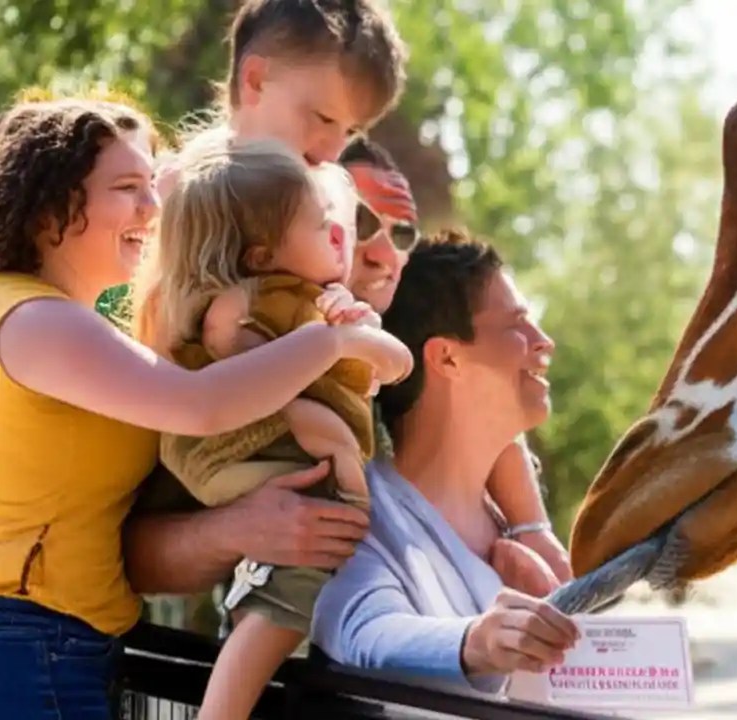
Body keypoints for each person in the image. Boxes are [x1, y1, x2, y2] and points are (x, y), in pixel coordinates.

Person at [123, 0, 567, 607]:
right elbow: (125, 536)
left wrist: (527, 526)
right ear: (255, 81)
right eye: (323, 119)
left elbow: (465, 370)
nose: (331, 152)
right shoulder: (168, 234)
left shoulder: (335, 201)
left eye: (350, 130)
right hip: (271, 622)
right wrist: (234, 529)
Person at [0, 95, 409, 718]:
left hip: (65, 644)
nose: (153, 207)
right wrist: (336, 342)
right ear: (55, 202)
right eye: (128, 187)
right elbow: (200, 407)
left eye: (152, 184)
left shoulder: (87, 328)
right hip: (30, 644)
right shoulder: (35, 320)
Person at [134, 138, 412, 719]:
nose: (341, 237)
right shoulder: (238, 305)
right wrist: (331, 348)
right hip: (247, 456)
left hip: (296, 464)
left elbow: (395, 365)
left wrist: (360, 334)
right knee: (284, 607)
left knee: (295, 594)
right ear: (261, 255)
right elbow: (250, 377)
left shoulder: (321, 302)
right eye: (320, 227)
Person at [311, 228, 579, 695]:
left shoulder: (517, 537)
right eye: (517, 324)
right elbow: (361, 630)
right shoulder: (363, 512)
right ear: (447, 358)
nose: (545, 342)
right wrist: (475, 642)